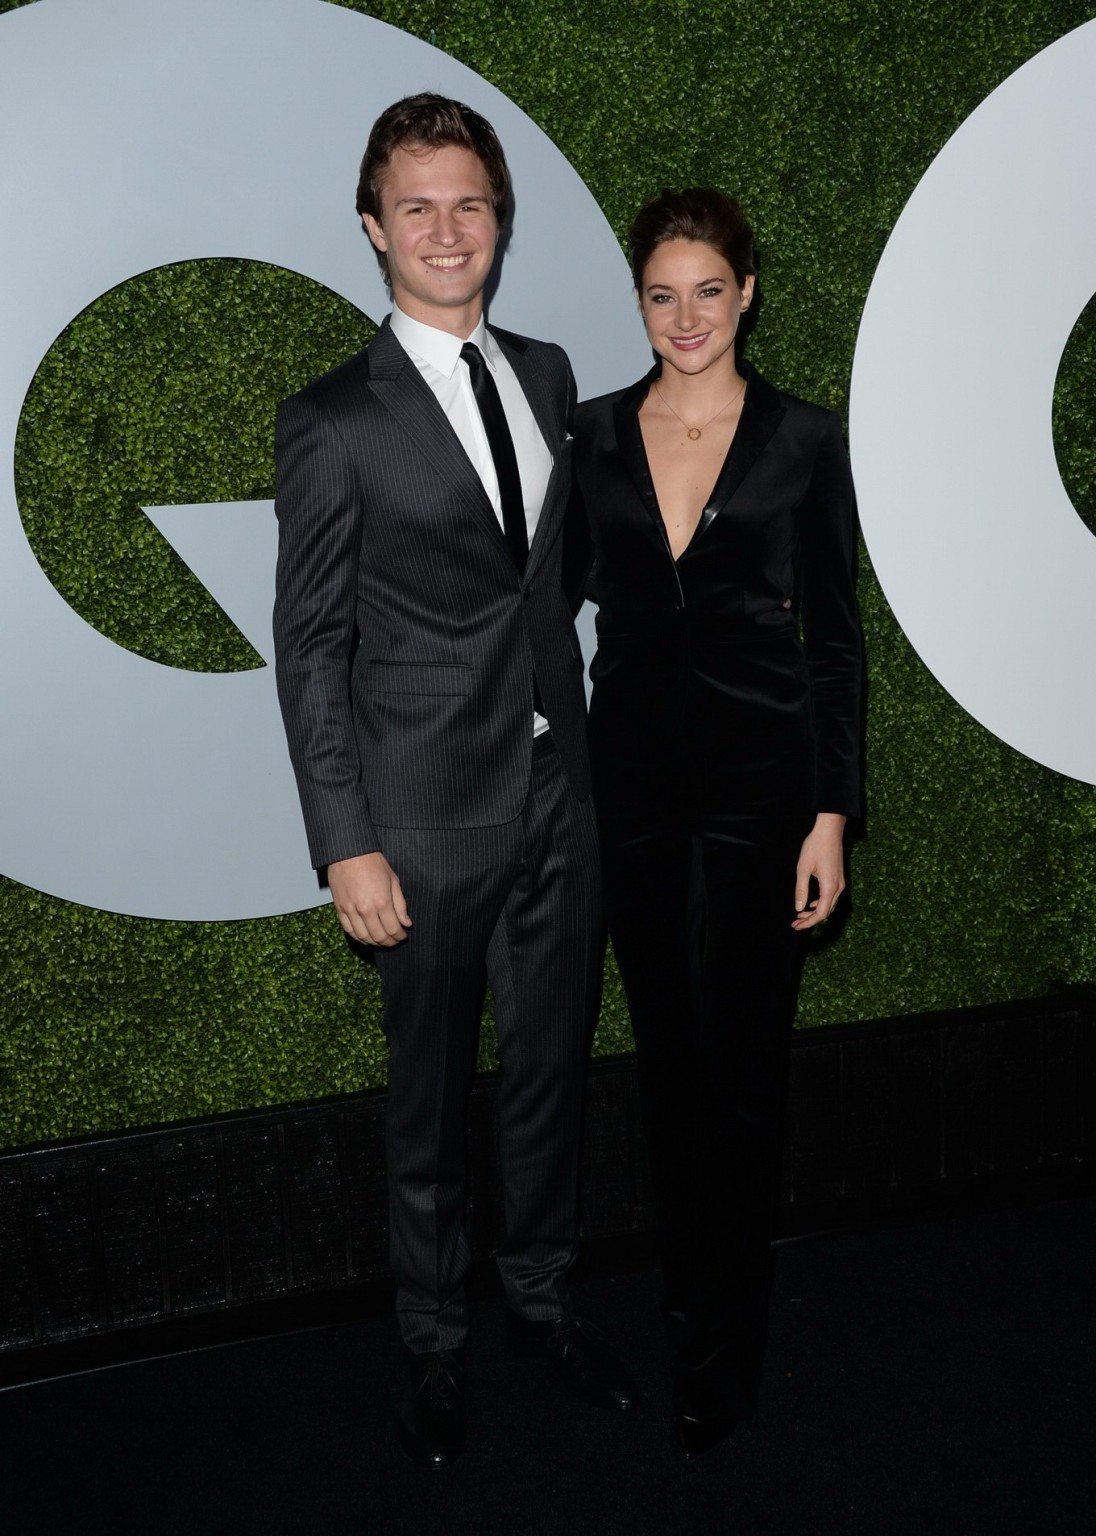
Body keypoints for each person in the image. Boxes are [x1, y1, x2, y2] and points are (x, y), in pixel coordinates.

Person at [272, 93, 636, 1469]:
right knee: (428, 1104)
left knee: (548, 1074)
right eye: (417, 206)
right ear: (373, 229)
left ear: (501, 221)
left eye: (470, 202)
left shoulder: (546, 375)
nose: (446, 228)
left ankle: (542, 1302)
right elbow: (309, 645)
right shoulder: (331, 421)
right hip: (418, 819)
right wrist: (343, 841)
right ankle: (433, 1345)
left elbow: (546, 584)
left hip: (563, 799)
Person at [570, 188, 862, 1457]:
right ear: (638, 301)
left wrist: (832, 813)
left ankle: (721, 1343)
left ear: (746, 293)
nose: (683, 317)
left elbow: (836, 644)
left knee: (741, 1073)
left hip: (762, 794)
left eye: (706, 291)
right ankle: (690, 1300)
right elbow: (536, 615)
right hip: (627, 792)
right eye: (659, 293)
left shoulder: (804, 440)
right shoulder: (588, 439)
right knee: (669, 1066)